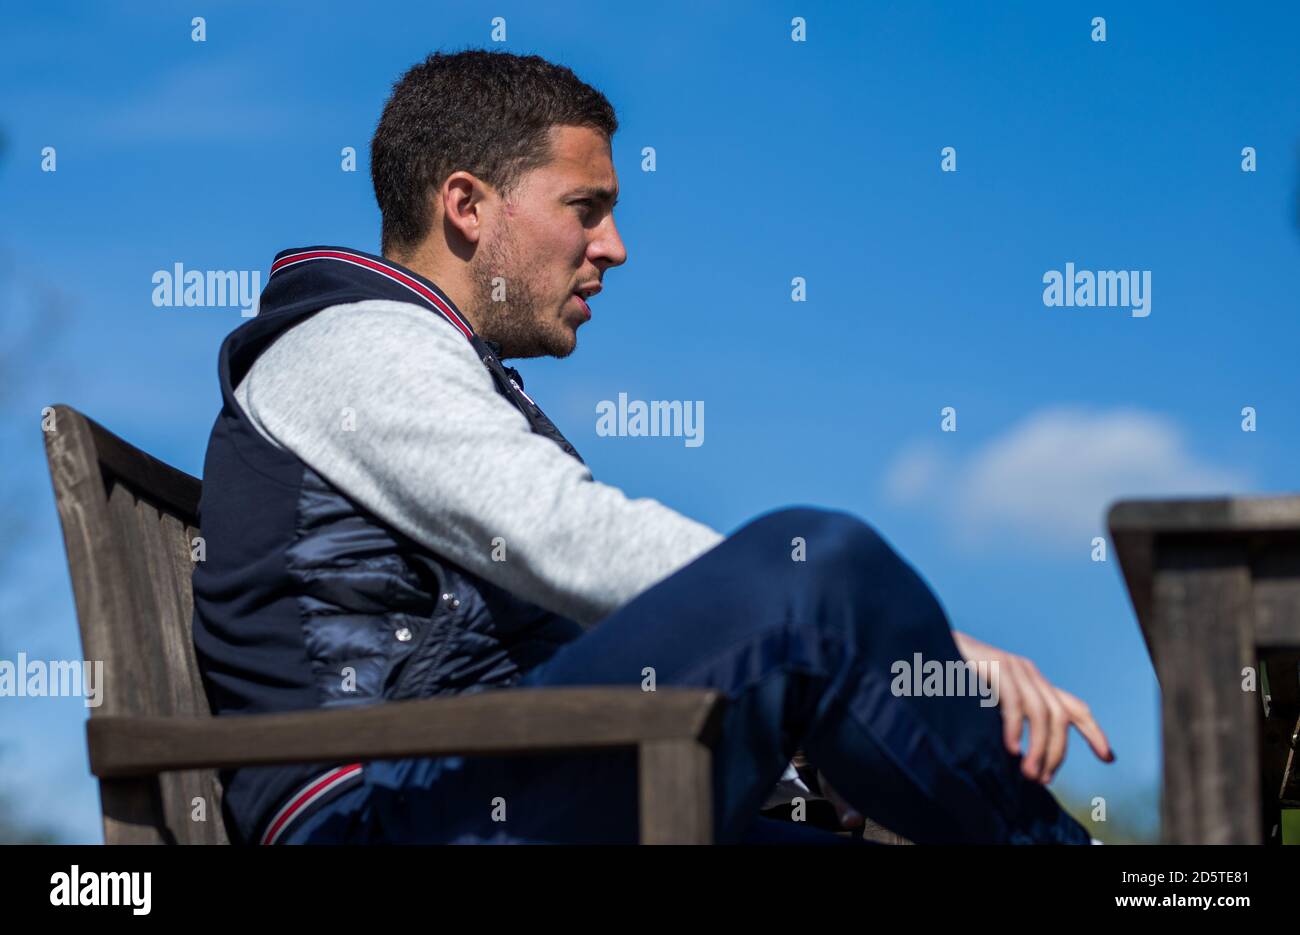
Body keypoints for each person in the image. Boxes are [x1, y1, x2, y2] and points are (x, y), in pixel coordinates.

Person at [191, 49, 1112, 845]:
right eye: (585, 207)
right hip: (388, 817)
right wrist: (903, 641)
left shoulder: (432, 365)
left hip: (471, 785)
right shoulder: (357, 345)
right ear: (468, 206)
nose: (615, 247)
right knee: (814, 568)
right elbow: (570, 538)